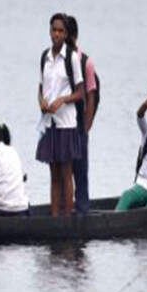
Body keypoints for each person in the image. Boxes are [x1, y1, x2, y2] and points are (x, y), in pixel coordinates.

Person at [36, 13, 83, 217]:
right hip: (49, 122)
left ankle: (67, 220)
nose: (56, 34)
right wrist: (42, 102)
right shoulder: (45, 57)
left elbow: (80, 92)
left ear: (65, 34)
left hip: (66, 123)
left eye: (60, 31)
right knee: (53, 173)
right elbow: (40, 88)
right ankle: (54, 218)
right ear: (49, 31)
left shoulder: (71, 57)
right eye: (54, 30)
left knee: (66, 174)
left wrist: (62, 100)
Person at [64, 15, 100, 215]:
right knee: (62, 171)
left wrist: (86, 127)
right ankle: (64, 210)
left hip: (78, 126)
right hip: (61, 124)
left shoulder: (85, 61)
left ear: (74, 35)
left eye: (66, 33)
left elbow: (91, 95)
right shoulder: (59, 59)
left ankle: (82, 211)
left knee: (80, 172)